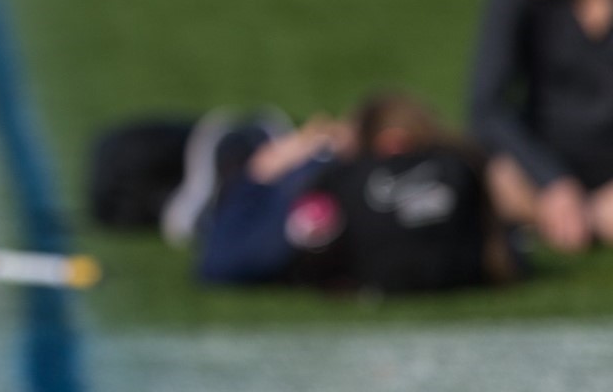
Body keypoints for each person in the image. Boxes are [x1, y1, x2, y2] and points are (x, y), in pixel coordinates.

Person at [189, 94, 514, 293]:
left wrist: (260, 176)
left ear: (392, 144)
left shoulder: (341, 185)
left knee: (243, 144)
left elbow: (221, 262)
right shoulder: (463, 169)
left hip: (241, 179)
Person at [471, 0, 613, 255]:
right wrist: (553, 181)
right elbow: (486, 105)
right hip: (540, 164)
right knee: (492, 180)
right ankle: (573, 219)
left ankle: (578, 221)